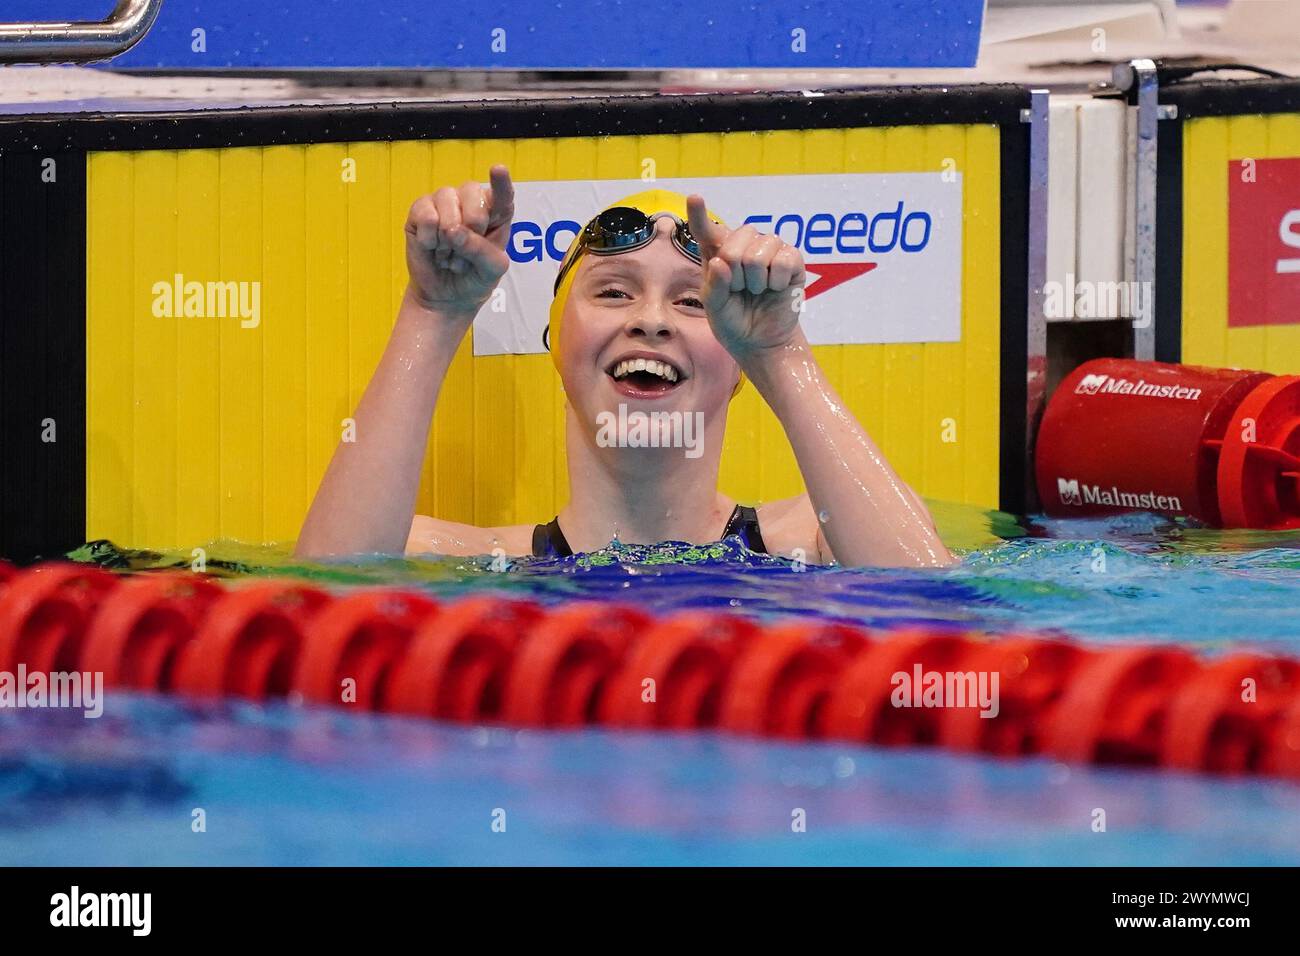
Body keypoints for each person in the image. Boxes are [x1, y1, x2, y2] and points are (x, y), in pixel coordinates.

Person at [295, 164, 955, 568]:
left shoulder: (813, 538)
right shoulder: (466, 560)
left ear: (738, 368)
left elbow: (937, 611)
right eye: (613, 290)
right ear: (555, 343)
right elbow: (326, 599)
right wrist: (432, 313)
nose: (652, 319)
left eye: (693, 301)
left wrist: (780, 353)